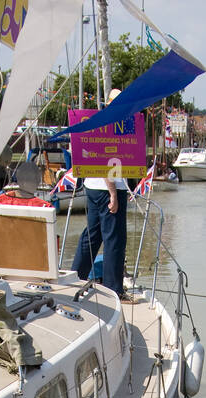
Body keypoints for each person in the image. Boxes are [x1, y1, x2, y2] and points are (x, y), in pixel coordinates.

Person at [70, 88, 133, 298]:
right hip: (107, 188)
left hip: (92, 186)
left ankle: (76, 277)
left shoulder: (99, 122)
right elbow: (105, 158)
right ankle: (114, 288)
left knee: (92, 235)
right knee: (114, 239)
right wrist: (113, 192)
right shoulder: (113, 125)